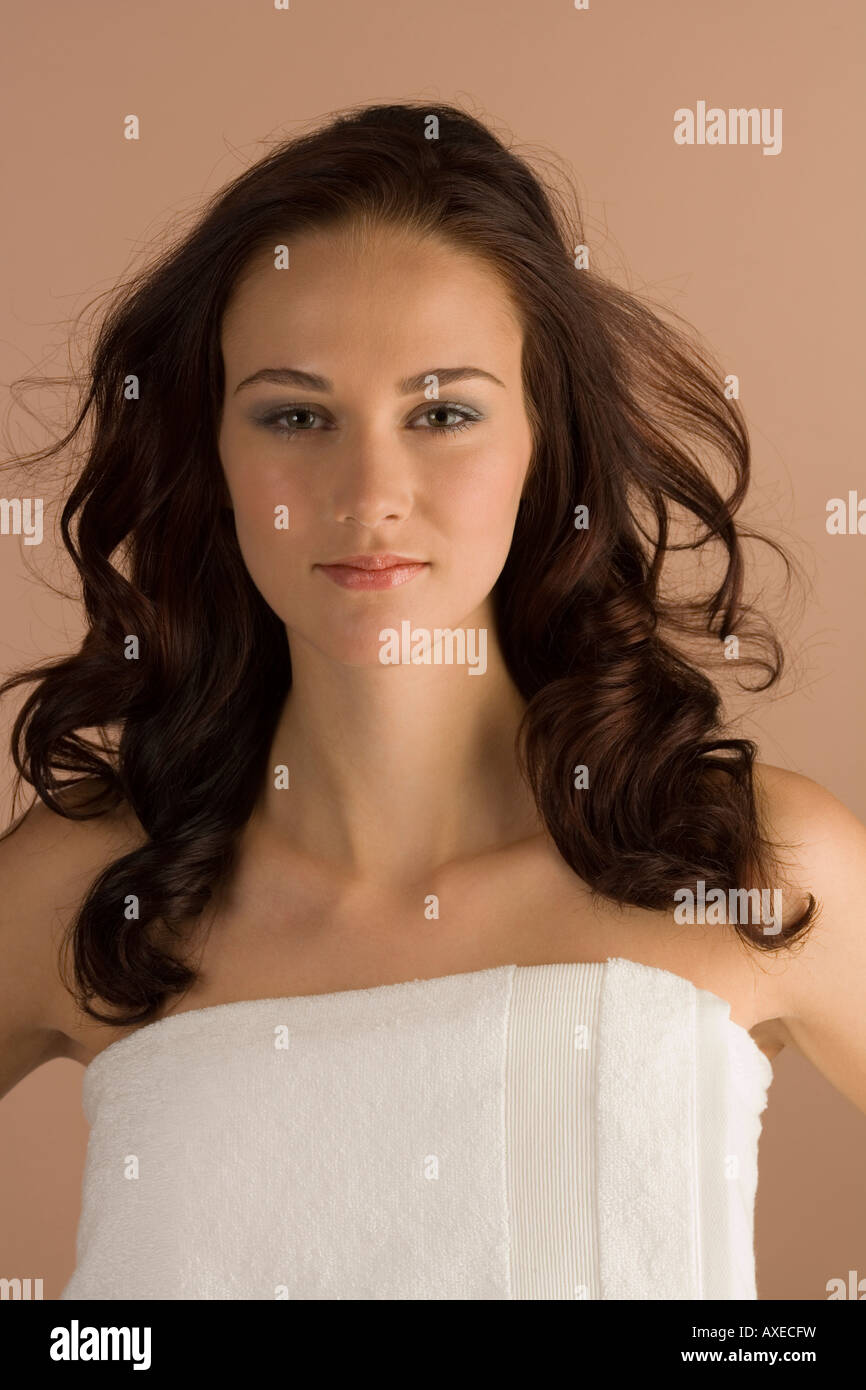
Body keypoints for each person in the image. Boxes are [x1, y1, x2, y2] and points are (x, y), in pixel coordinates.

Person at [1, 100, 864, 1300]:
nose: (369, 491)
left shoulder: (755, 864)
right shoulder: (85, 891)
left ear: (538, 445)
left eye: (442, 412)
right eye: (295, 414)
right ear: (214, 451)